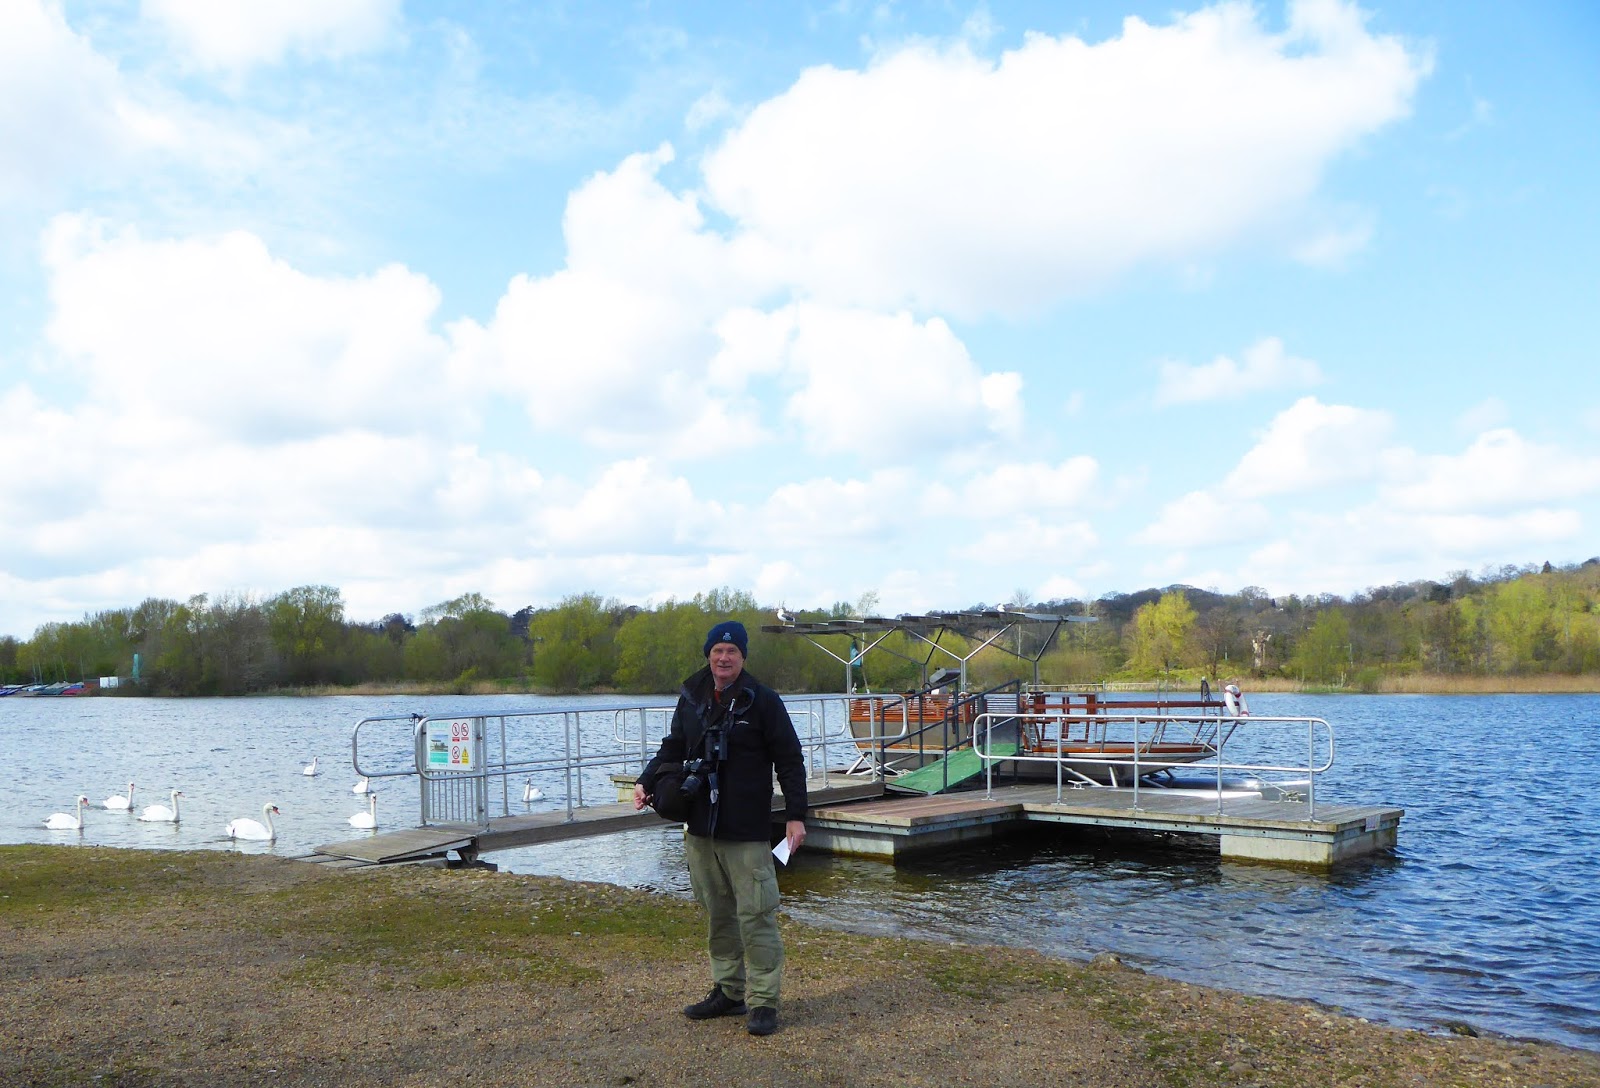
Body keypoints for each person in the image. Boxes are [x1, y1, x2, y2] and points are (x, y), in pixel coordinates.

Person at [633, 620, 808, 1037]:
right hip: (700, 828)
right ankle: (729, 992)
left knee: (757, 916)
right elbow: (673, 746)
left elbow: (790, 760)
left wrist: (797, 816)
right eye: (717, 651)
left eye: (731, 652)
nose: (723, 658)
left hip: (746, 830)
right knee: (719, 915)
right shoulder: (691, 696)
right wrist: (645, 779)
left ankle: (764, 1001)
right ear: (708, 655)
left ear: (742, 657)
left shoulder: (762, 701)